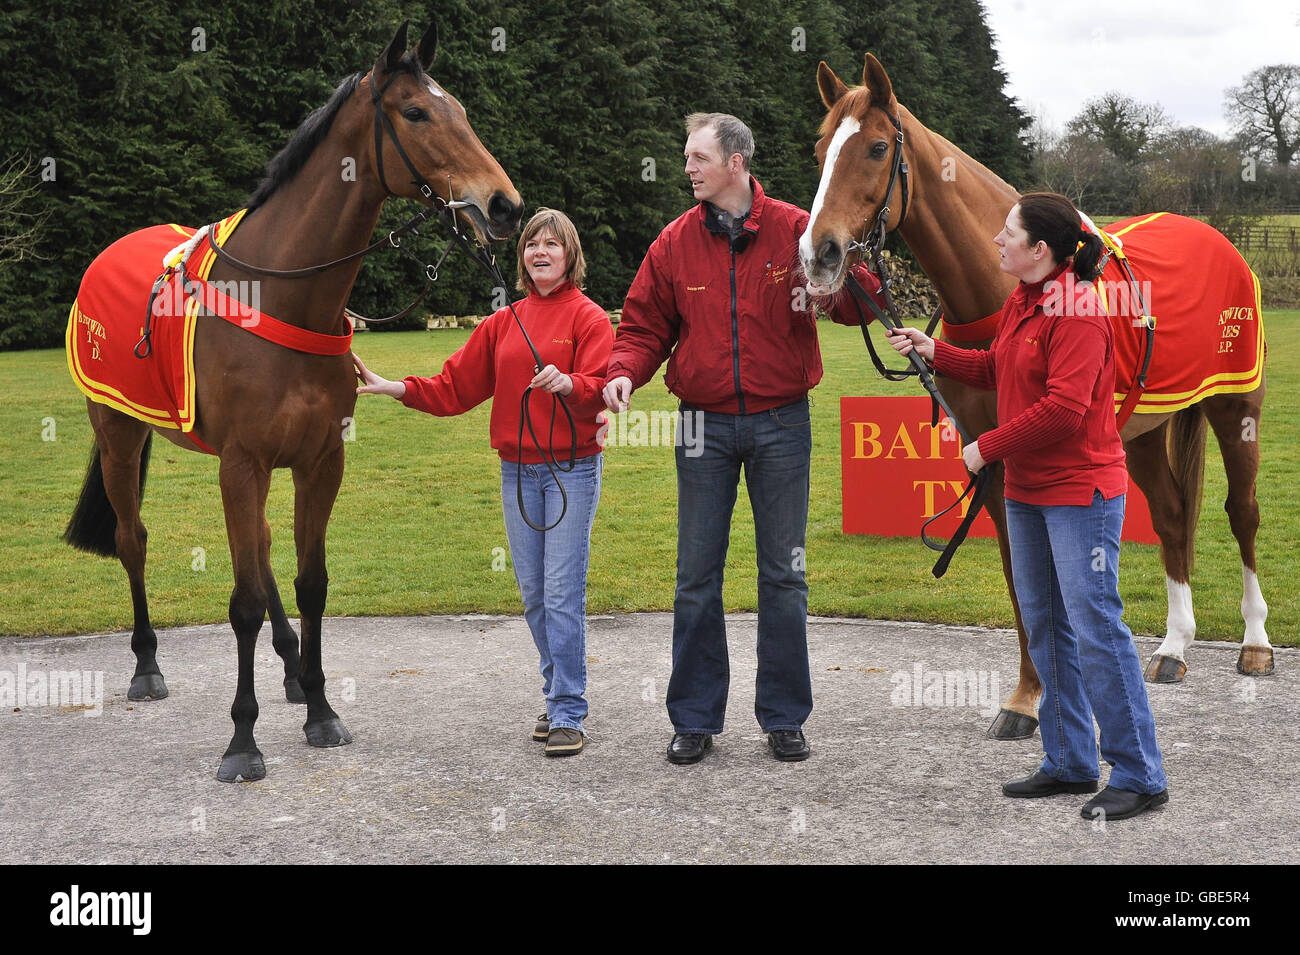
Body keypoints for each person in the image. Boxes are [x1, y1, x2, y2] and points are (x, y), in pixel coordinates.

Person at [602, 113, 883, 765]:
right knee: (695, 575)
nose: (688, 168)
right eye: (685, 157)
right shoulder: (673, 243)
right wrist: (621, 375)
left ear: (737, 162)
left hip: (783, 421)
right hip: (702, 424)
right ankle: (695, 718)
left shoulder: (794, 228)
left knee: (784, 574)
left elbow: (855, 299)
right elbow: (644, 328)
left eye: (698, 156)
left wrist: (833, 283)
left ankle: (784, 717)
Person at [887, 192, 1169, 820]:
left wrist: (984, 447)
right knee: (1046, 627)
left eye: (1007, 233)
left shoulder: (1079, 314)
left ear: (1040, 250)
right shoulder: (1024, 300)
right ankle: (1069, 761)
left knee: (1097, 629)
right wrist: (935, 352)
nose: (997, 241)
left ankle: (1140, 773)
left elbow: (1065, 410)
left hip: (1080, 493)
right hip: (1030, 494)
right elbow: (999, 368)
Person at [353, 208, 612, 757]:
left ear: (571, 255)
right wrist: (394, 386)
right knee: (535, 596)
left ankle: (569, 710)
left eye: (553, 244)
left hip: (571, 469)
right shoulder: (504, 321)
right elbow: (455, 387)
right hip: (517, 470)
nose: (541, 252)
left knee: (563, 591)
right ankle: (555, 694)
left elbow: (600, 385)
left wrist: (569, 383)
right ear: (522, 258)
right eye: (532, 244)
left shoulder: (589, 318)